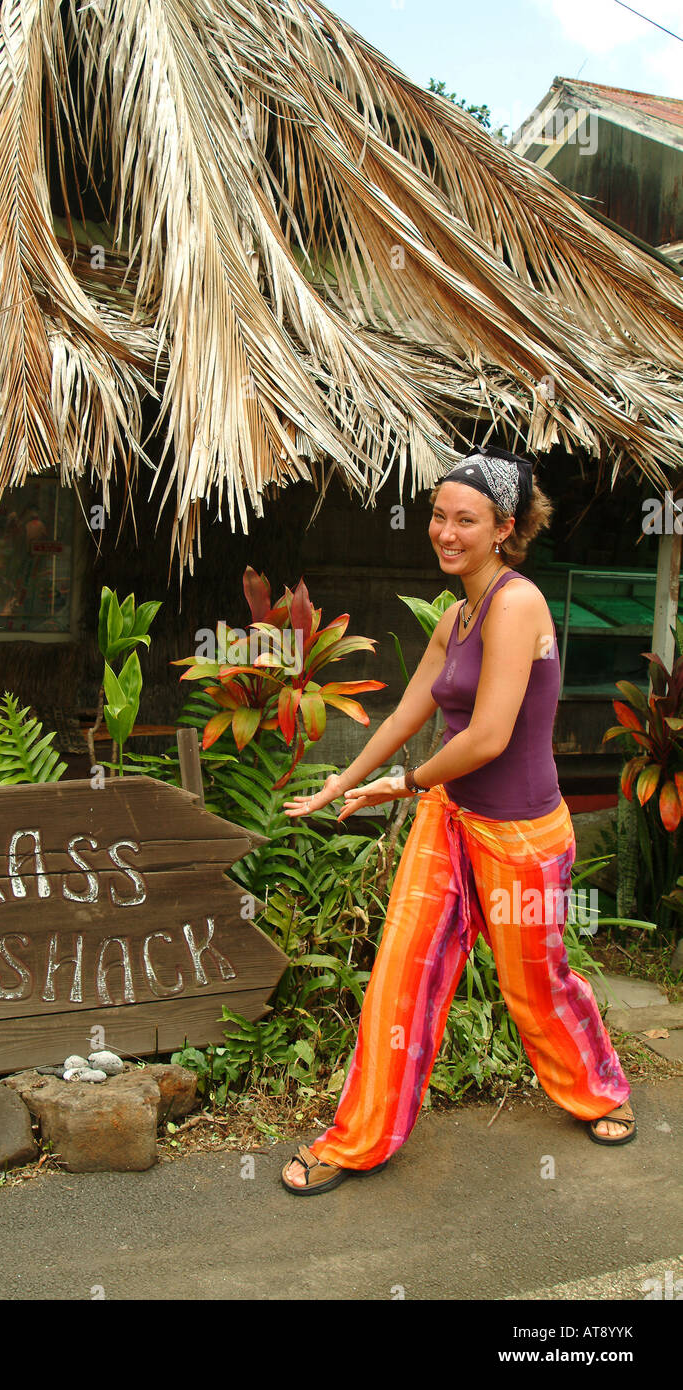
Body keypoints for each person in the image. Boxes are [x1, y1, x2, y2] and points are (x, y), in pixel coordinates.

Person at [280, 445, 635, 1196]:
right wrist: (338, 783)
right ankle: (356, 1138)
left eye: (464, 520)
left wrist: (401, 786)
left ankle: (598, 1090)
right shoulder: (457, 616)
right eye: (438, 516)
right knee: (399, 981)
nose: (445, 532)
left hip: (521, 836)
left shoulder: (517, 603)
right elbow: (408, 714)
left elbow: (488, 736)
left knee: (533, 984)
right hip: (449, 820)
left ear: (503, 528)